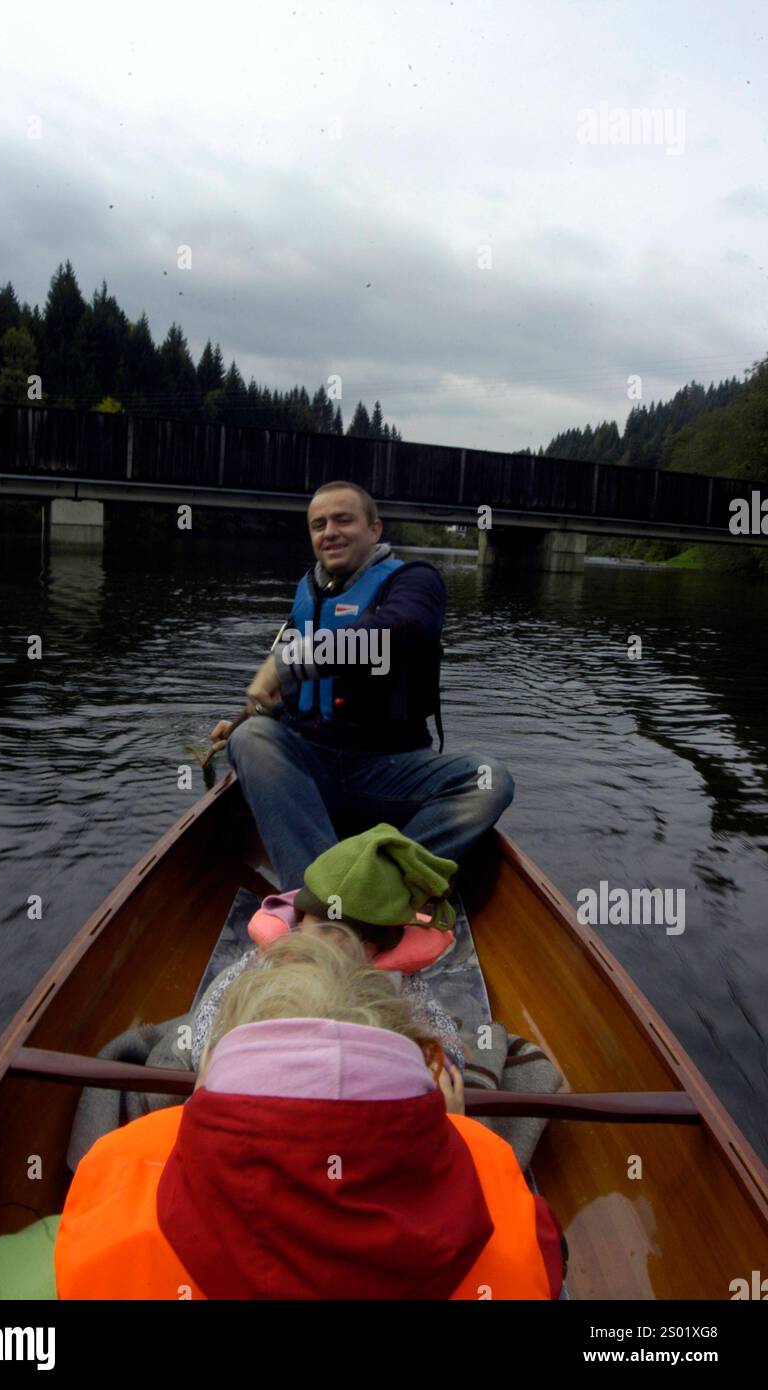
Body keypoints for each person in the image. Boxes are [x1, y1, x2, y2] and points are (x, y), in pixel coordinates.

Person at [54, 931, 564, 1300]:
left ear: (211, 1076)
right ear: (423, 1074)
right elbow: (547, 1258)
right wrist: (455, 1130)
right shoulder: (495, 1180)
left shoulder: (118, 1173)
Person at [210, 480, 514, 889]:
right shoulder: (307, 595)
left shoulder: (416, 582)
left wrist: (287, 662)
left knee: (490, 779)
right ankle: (318, 895)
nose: (329, 532)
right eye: (319, 525)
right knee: (250, 738)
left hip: (390, 770)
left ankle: (371, 888)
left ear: (374, 530)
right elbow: (285, 693)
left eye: (343, 520)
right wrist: (248, 719)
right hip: (313, 762)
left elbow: (399, 633)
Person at [182, 823, 466, 1078]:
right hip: (270, 1068)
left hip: (360, 1075)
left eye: (358, 935)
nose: (335, 945)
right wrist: (213, 1055)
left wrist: (443, 1067)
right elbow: (214, 1006)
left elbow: (440, 1031)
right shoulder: (269, 958)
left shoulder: (401, 981)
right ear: (301, 918)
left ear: (383, 944)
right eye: (325, 926)